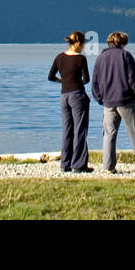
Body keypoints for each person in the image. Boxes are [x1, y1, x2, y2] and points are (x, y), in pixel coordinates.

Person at [90, 31, 135, 173]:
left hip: (108, 102)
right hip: (126, 100)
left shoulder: (100, 58)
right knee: (134, 132)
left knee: (108, 135)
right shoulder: (126, 56)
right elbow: (133, 79)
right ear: (123, 43)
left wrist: (100, 98)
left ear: (109, 42)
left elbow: (95, 82)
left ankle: (108, 166)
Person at [48, 31, 91, 173]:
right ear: (78, 44)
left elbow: (50, 76)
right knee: (80, 129)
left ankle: (65, 164)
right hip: (77, 95)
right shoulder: (81, 59)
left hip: (64, 96)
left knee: (67, 130)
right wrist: (76, 82)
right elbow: (86, 80)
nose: (83, 47)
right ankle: (78, 164)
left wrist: (63, 82)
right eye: (83, 44)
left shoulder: (59, 57)